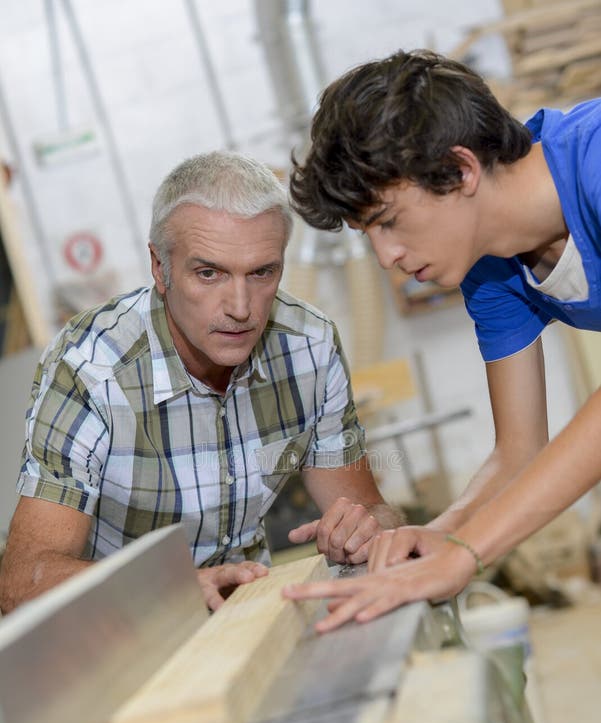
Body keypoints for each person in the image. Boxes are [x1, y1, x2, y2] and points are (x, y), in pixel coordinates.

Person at [0, 151, 401, 615]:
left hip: (245, 615)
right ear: (160, 268)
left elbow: (372, 510)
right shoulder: (91, 368)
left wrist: (367, 529)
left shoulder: (310, 347)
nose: (240, 306)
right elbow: (22, 582)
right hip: (115, 629)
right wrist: (173, 586)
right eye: (208, 273)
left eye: (262, 273)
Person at [283, 47, 601, 632]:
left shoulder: (596, 162)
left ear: (461, 170)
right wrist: (439, 535)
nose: (386, 257)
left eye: (388, 222)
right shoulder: (493, 267)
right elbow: (519, 451)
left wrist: (470, 551)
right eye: (367, 236)